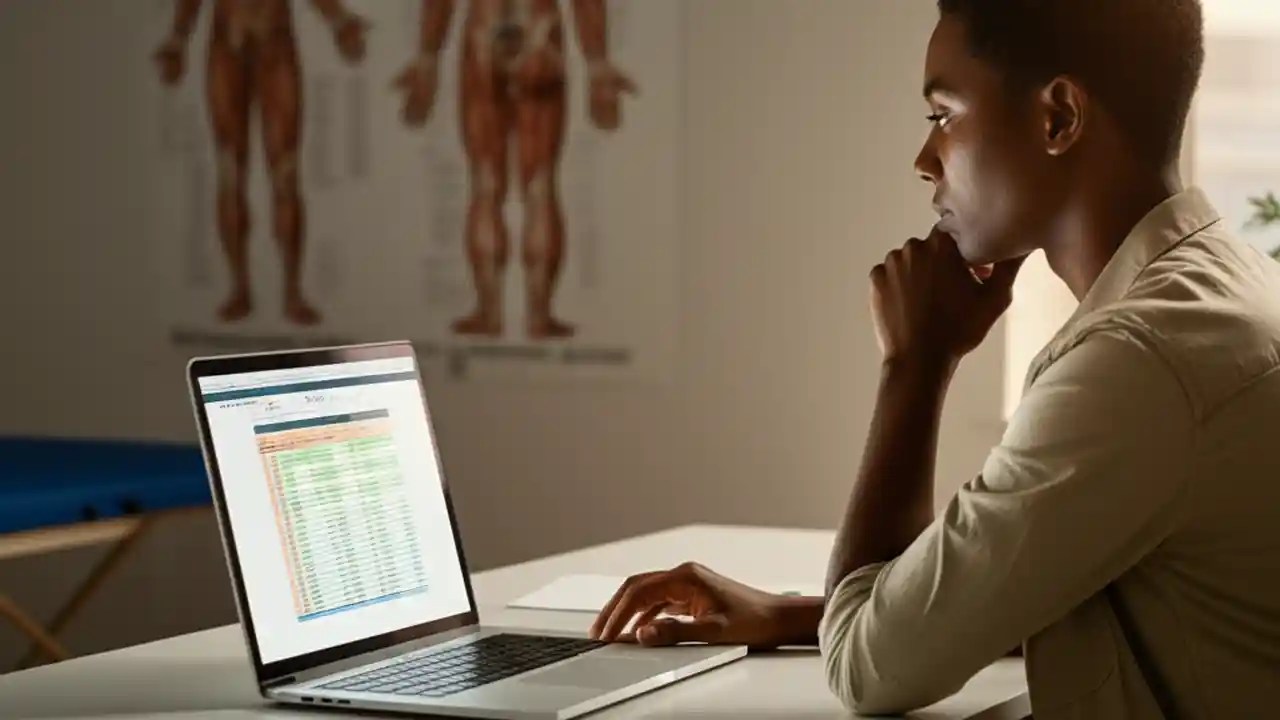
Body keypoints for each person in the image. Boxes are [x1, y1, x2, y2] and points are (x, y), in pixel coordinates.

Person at [589, 1, 1280, 717]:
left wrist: (915, 366)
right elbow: (1040, 584)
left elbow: (868, 669)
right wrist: (800, 614)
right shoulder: (1229, 290)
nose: (925, 162)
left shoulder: (1132, 365)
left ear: (1059, 119)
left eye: (942, 116)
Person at [394, 0, 637, 339]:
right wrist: (597, 63)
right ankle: (538, 317)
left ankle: (489, 313)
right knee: (540, 188)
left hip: (484, 31)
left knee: (485, 185)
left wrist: (427, 57)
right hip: (540, 31)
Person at [154, 0, 368, 325]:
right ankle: (240, 287)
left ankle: (291, 292)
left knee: (284, 174)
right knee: (230, 173)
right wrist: (177, 39)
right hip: (228, 45)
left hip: (275, 45)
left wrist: (338, 22)